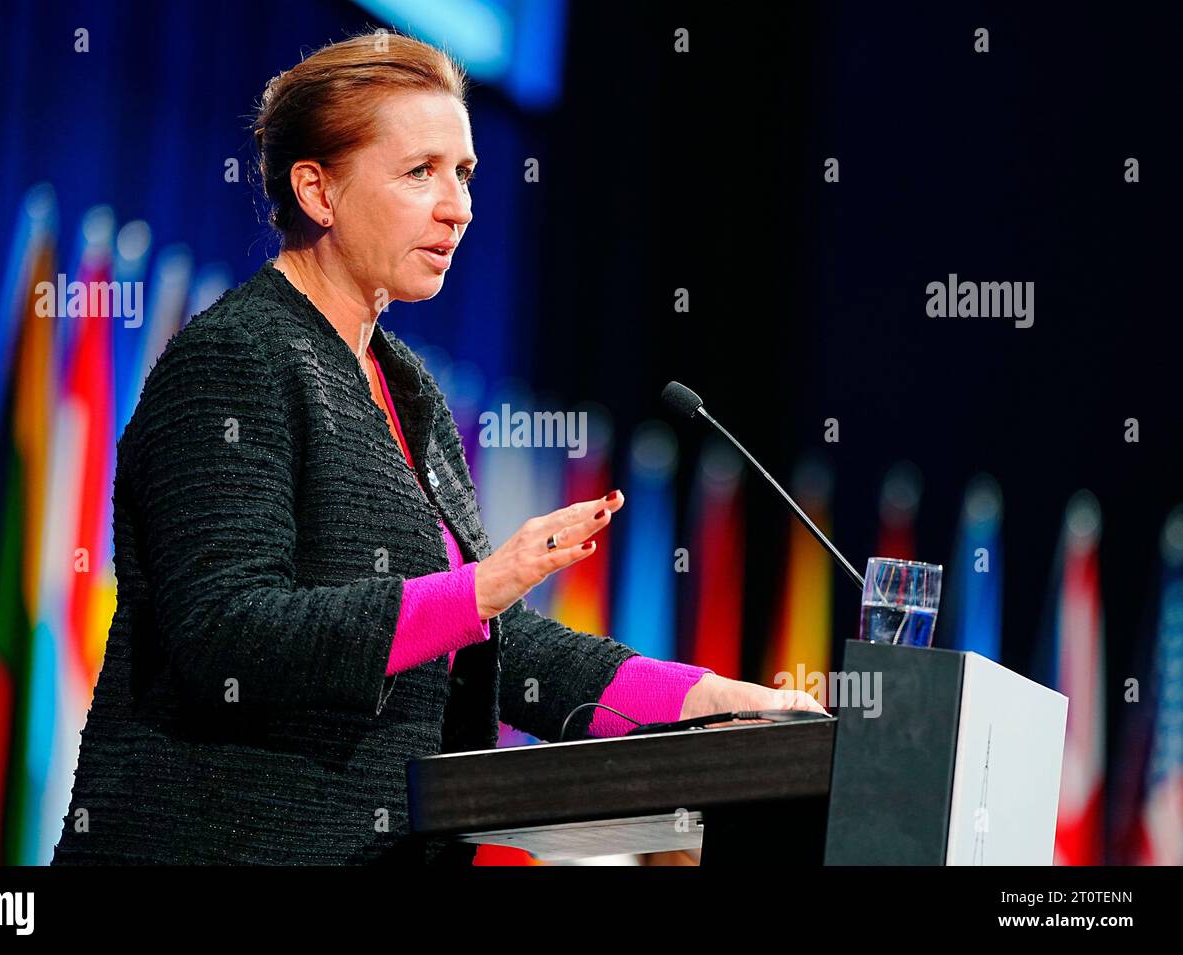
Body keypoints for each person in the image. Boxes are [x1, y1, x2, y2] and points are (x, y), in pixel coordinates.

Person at [51, 29, 824, 867]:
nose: (458, 207)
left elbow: (490, 645)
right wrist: (479, 589)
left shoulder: (406, 386)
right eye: (421, 172)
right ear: (317, 189)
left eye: (464, 173)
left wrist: (714, 703)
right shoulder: (235, 357)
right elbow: (226, 633)